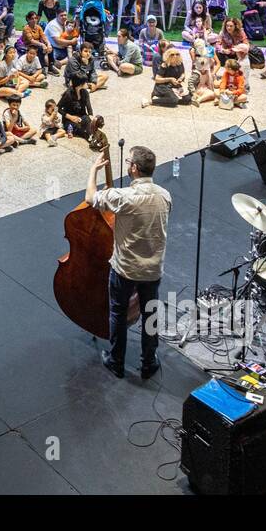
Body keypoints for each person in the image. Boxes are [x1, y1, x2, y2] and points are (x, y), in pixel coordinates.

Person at [86, 145, 170, 380]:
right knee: (150, 314)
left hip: (125, 268)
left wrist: (93, 170)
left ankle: (116, 361)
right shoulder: (165, 195)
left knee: (118, 313)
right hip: (153, 268)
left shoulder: (124, 197)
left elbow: (90, 197)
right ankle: (148, 361)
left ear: (133, 168)